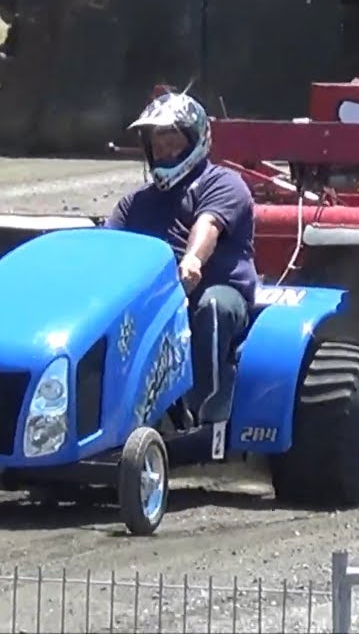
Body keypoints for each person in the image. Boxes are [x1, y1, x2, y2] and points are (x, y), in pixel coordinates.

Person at [105, 90, 258, 426]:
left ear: (195, 139)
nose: (163, 150)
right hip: (153, 295)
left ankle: (205, 412)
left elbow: (209, 224)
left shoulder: (223, 183)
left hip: (213, 287)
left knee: (212, 307)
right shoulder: (134, 204)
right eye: (156, 143)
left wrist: (192, 261)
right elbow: (107, 247)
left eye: (171, 140)